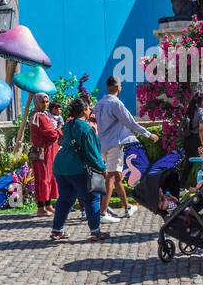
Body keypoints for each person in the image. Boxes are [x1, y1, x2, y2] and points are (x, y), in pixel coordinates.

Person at [94, 76, 152, 223]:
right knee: (112, 177)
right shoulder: (115, 103)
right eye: (120, 86)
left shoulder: (100, 103)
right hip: (115, 145)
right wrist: (148, 134)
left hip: (104, 145)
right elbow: (130, 121)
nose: (121, 88)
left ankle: (127, 207)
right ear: (117, 87)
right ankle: (102, 213)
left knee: (117, 177)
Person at [50, 97, 108, 243]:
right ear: (83, 110)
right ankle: (95, 231)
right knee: (91, 198)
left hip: (61, 166)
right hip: (77, 168)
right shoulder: (87, 128)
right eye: (89, 108)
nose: (90, 110)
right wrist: (102, 168)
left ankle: (57, 230)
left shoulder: (68, 125)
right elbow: (92, 152)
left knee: (65, 199)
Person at [29, 94, 61, 216]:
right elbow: (52, 134)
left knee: (46, 178)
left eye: (47, 101)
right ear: (37, 102)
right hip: (44, 152)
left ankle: (47, 205)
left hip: (44, 151)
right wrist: (58, 129)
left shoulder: (39, 115)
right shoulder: (40, 116)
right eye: (43, 102)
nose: (46, 104)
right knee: (44, 178)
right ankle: (41, 208)